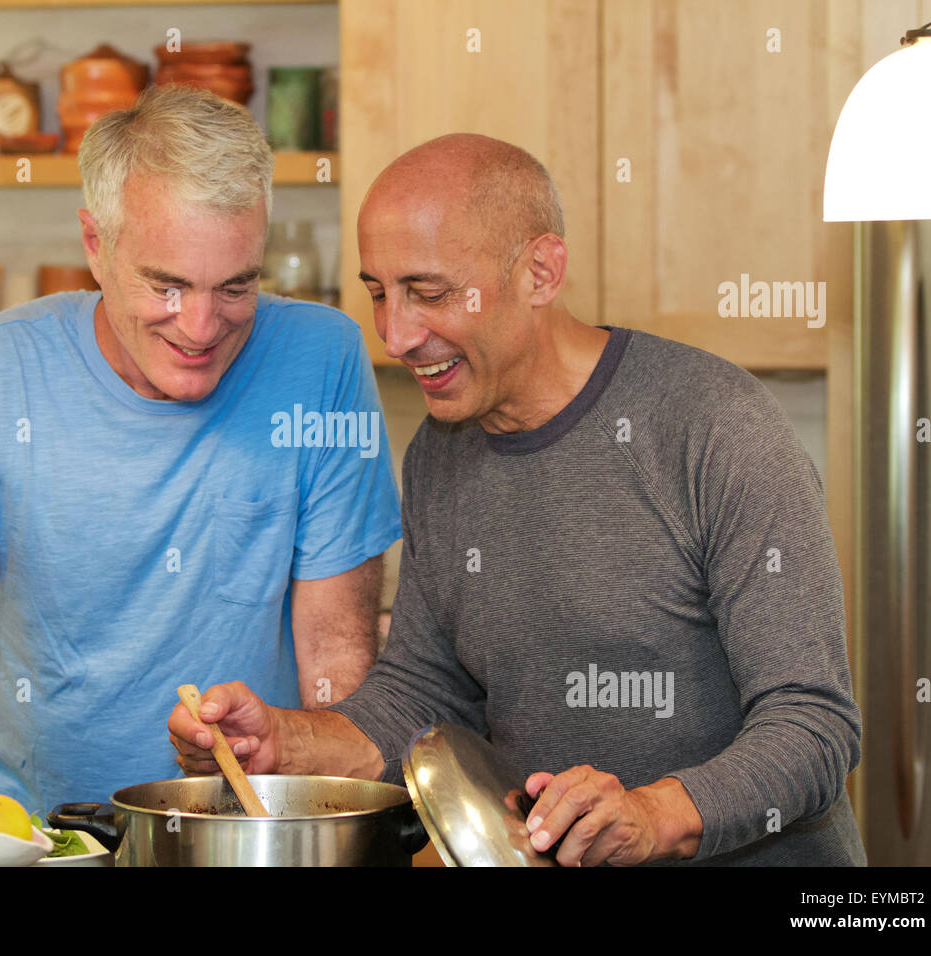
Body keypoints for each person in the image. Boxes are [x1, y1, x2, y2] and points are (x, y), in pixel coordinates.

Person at [170, 133, 867, 866]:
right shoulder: (442, 453)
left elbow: (814, 726)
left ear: (541, 270)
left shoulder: (715, 426)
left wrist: (651, 815)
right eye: (379, 292)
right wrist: (287, 743)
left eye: (430, 293)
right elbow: (423, 694)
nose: (397, 334)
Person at [0, 86, 401, 813]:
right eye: (166, 285)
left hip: (254, 842)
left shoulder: (322, 361)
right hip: (41, 845)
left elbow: (337, 668)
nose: (200, 326)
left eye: (236, 287)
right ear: (96, 246)